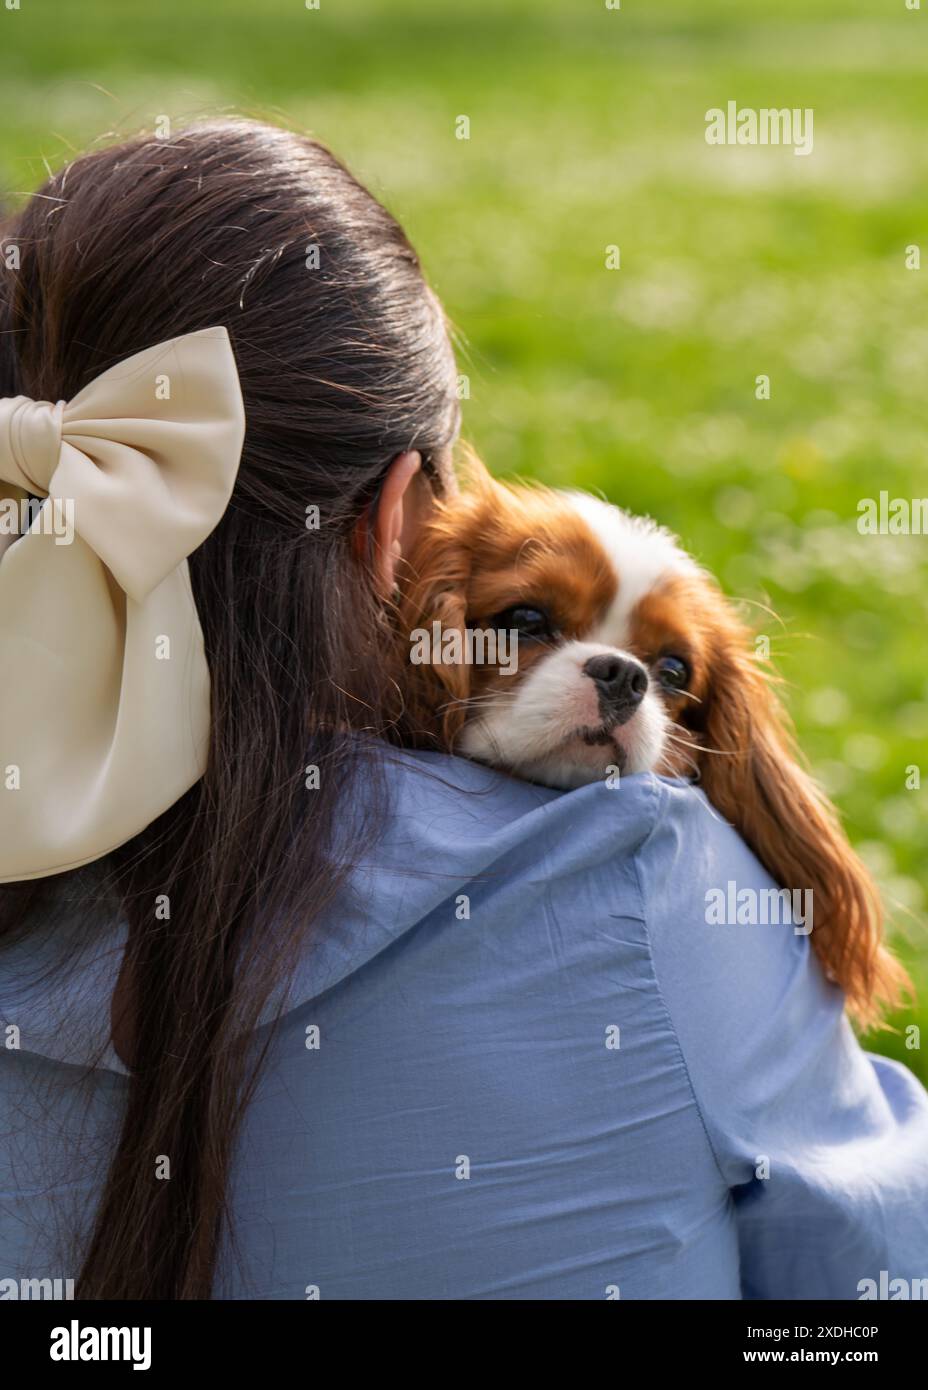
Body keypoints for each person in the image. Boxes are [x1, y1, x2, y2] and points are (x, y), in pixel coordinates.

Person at [1, 118, 926, 1302]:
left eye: (668, 673)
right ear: (398, 525)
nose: (613, 677)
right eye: (529, 621)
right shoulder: (643, 873)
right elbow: (868, 1275)